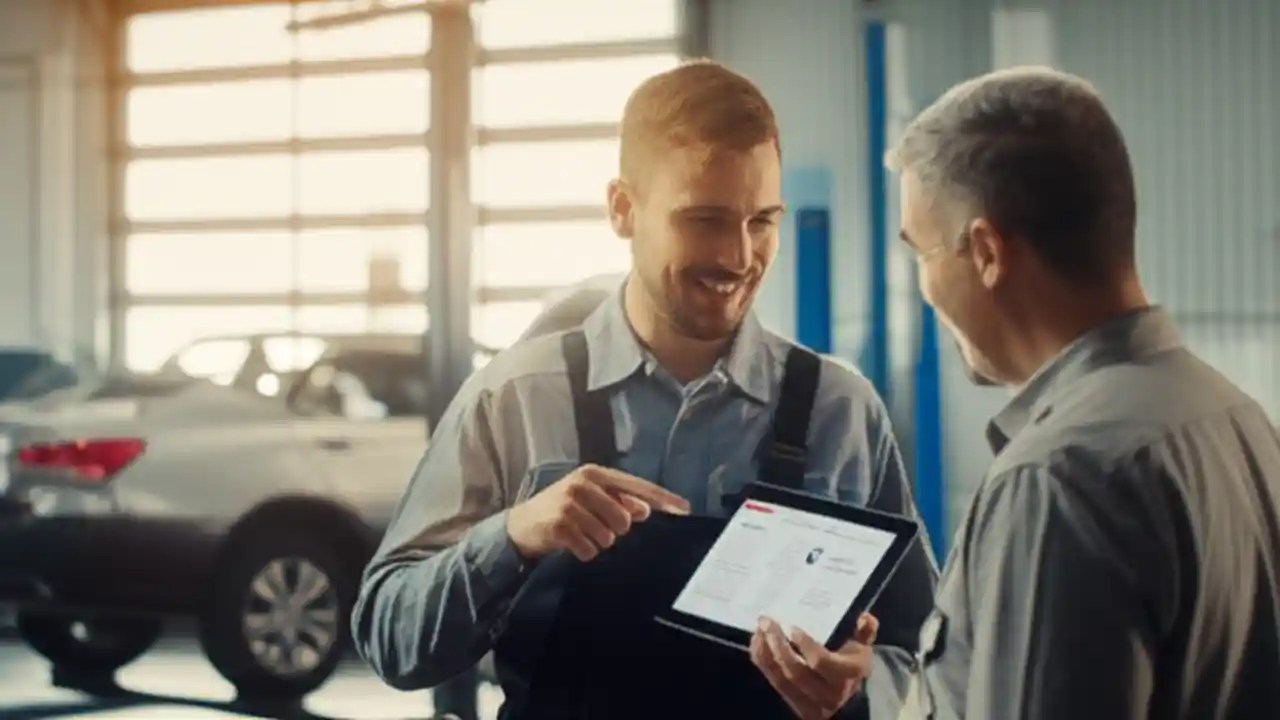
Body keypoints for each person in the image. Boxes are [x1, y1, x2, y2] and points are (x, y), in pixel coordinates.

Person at [352, 59, 939, 719]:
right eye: (706, 220)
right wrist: (513, 535)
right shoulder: (515, 399)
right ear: (623, 209)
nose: (741, 257)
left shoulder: (842, 411)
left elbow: (925, 649)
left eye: (762, 221)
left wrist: (862, 689)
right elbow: (389, 637)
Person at [886, 66, 1280, 719]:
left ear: (986, 251)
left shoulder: (1059, 476)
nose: (925, 289)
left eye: (924, 254)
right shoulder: (1235, 420)